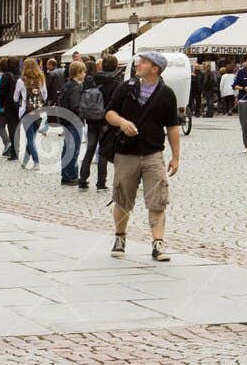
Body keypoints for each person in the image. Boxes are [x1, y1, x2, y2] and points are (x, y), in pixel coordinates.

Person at [104, 51, 182, 262]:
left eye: (144, 62)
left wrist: (176, 157)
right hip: (125, 153)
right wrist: (122, 122)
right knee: (122, 200)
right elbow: (109, 113)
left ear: (155, 69)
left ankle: (158, 244)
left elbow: (173, 127)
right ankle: (120, 238)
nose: (138, 64)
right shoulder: (125, 88)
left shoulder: (166, 94)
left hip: (153, 154)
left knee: (158, 202)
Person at [78, 54, 122, 191]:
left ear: (102, 66)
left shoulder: (91, 79)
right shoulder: (116, 83)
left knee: (89, 149)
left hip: (91, 119)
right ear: (116, 67)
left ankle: (82, 180)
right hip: (106, 120)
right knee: (103, 152)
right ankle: (101, 183)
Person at [18, 58, 47, 169]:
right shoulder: (41, 79)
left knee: (30, 138)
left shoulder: (21, 81)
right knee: (32, 138)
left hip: (26, 112)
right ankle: (25, 161)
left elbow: (16, 97)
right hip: (38, 111)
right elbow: (45, 96)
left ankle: (36, 162)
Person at [0, 59, 20, 160]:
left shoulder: (4, 76)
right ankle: (16, 149)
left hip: (7, 106)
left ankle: (10, 147)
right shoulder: (18, 75)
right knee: (16, 128)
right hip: (17, 105)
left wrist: (1, 104)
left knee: (4, 127)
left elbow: (0, 92)